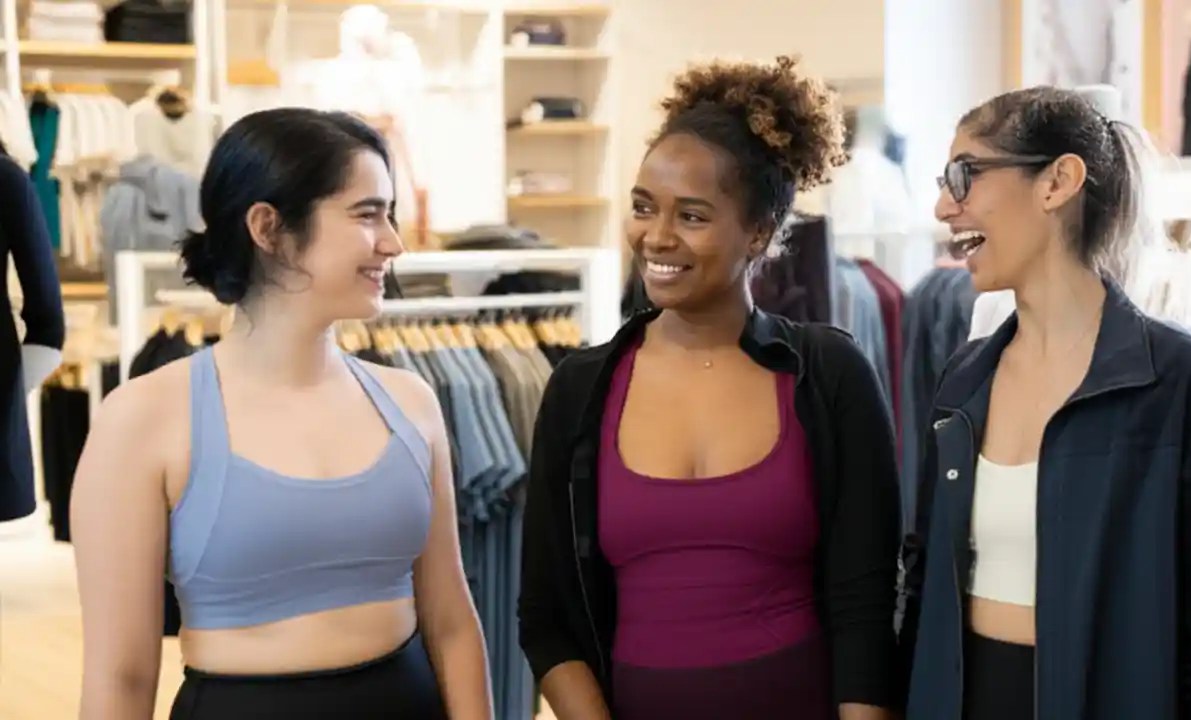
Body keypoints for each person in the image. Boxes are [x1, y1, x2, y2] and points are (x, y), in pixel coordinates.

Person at [70, 108, 493, 719]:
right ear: (268, 227)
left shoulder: (411, 402)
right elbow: (121, 676)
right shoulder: (143, 419)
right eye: (367, 213)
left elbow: (453, 623)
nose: (394, 242)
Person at [518, 55, 902, 720]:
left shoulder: (828, 376)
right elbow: (545, 613)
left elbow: (867, 606)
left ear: (758, 232)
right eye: (644, 207)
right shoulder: (580, 389)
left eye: (691, 215)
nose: (656, 237)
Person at [900, 86, 1191, 720]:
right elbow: (928, 580)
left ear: (1057, 182)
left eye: (964, 174)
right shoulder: (965, 380)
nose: (943, 205)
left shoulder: (1185, 385)